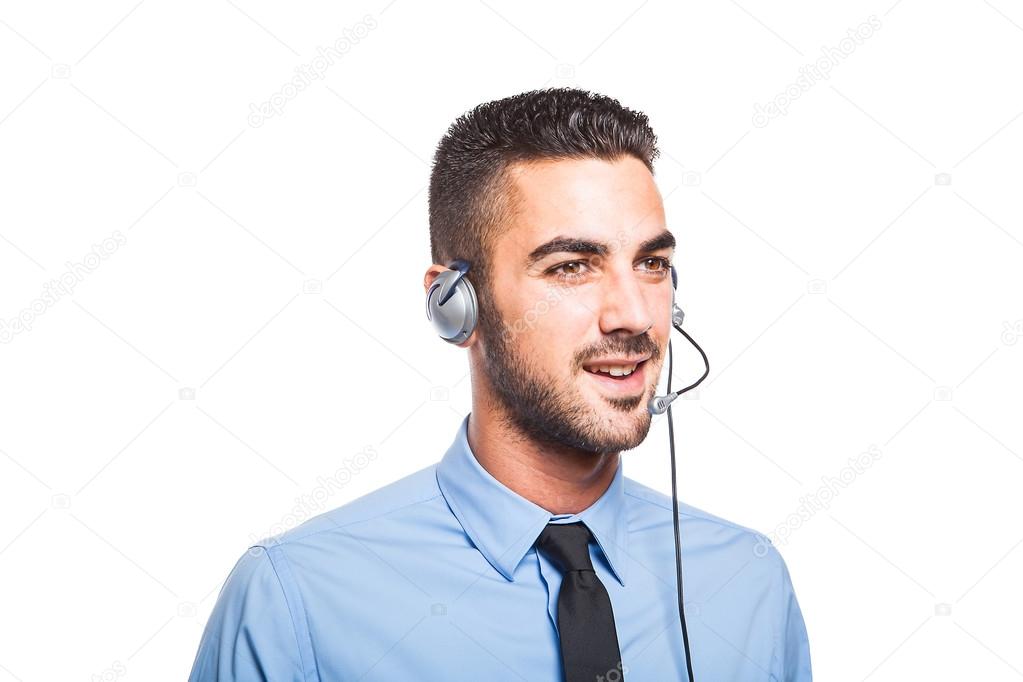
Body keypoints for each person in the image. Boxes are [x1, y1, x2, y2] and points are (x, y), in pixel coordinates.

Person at [188, 87, 812, 681]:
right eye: (572, 267)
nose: (635, 314)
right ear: (454, 304)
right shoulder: (296, 598)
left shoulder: (747, 583)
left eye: (651, 264)